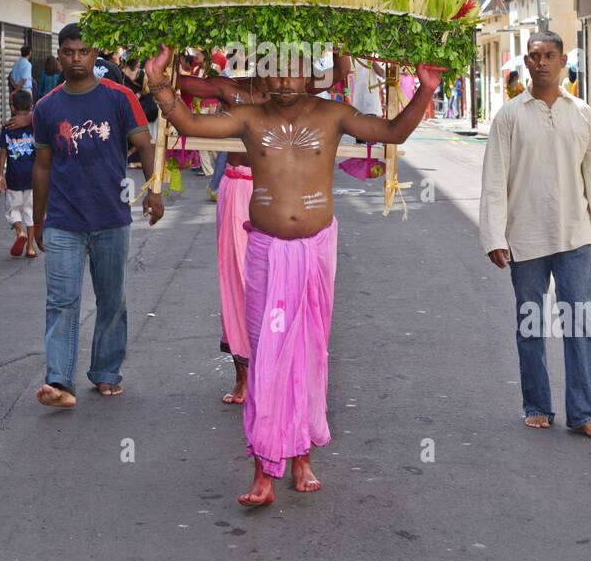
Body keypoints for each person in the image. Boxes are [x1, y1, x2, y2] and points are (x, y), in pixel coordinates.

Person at [146, 43, 443, 505]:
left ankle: (301, 457)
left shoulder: (333, 114)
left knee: (307, 354)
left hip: (315, 253)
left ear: (311, 75)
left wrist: (423, 91)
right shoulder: (251, 117)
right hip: (265, 252)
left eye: (293, 73)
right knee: (267, 356)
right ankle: (264, 469)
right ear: (263, 75)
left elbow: (392, 131)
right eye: (275, 73)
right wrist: (160, 81)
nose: (283, 82)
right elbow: (190, 123)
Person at [177, 52, 351, 405]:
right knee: (238, 282)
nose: (280, 73)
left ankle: (294, 375)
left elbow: (341, 72)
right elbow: (179, 83)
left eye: (288, 63)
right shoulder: (233, 90)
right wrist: (164, 50)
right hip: (240, 187)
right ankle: (245, 377)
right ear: (258, 61)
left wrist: (342, 40)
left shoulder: (300, 91)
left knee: (291, 286)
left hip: (285, 195)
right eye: (269, 58)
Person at [479, 30, 591, 438]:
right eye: (534, 56)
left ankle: (583, 414)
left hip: (575, 238)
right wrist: (494, 237)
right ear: (526, 61)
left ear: (561, 62)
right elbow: (494, 180)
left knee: (579, 326)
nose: (540, 62)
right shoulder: (509, 116)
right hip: (526, 238)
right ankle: (537, 404)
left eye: (549, 55)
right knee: (531, 325)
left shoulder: (581, 112)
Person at [32, 25, 164, 409]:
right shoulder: (46, 106)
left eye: (84, 51)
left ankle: (106, 371)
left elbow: (145, 144)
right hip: (62, 220)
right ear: (59, 56)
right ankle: (59, 381)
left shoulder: (120, 98)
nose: (76, 58)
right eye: (69, 52)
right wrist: (38, 220)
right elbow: (42, 166)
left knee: (112, 299)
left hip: (110, 216)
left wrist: (154, 190)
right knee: (61, 301)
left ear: (96, 56)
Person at [0, 89, 37, 258]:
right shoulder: (35, 126)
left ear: (12, 108)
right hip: (33, 176)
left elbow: (3, 151)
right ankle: (30, 247)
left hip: (14, 176)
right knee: (30, 210)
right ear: (32, 106)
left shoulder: (7, 127)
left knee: (13, 208)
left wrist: (0, 174)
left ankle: (19, 232)